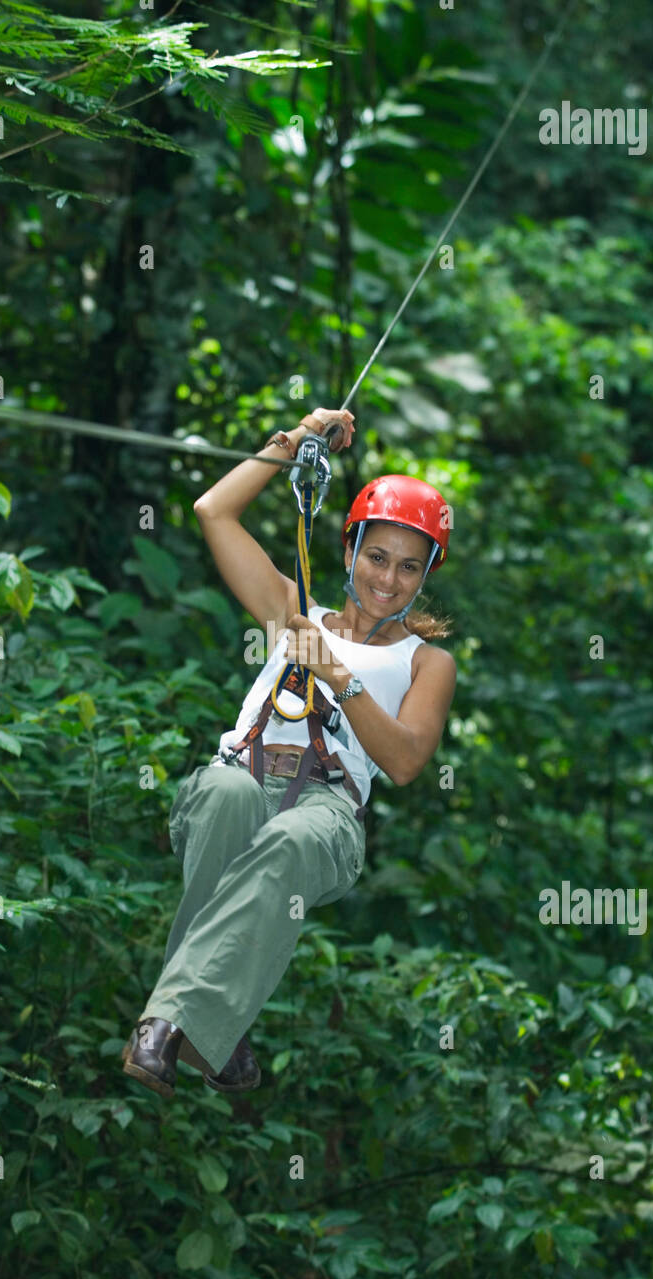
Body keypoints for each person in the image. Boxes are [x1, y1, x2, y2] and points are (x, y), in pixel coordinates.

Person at [122, 406, 456, 1098]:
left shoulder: (428, 662)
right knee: (223, 795)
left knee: (289, 841)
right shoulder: (289, 606)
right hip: (243, 771)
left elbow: (403, 762)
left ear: (424, 578)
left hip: (328, 809)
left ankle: (164, 1022)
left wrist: (340, 678)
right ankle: (219, 1025)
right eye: (375, 556)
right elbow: (213, 511)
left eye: (407, 568)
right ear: (347, 551)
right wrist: (294, 440)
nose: (386, 580)